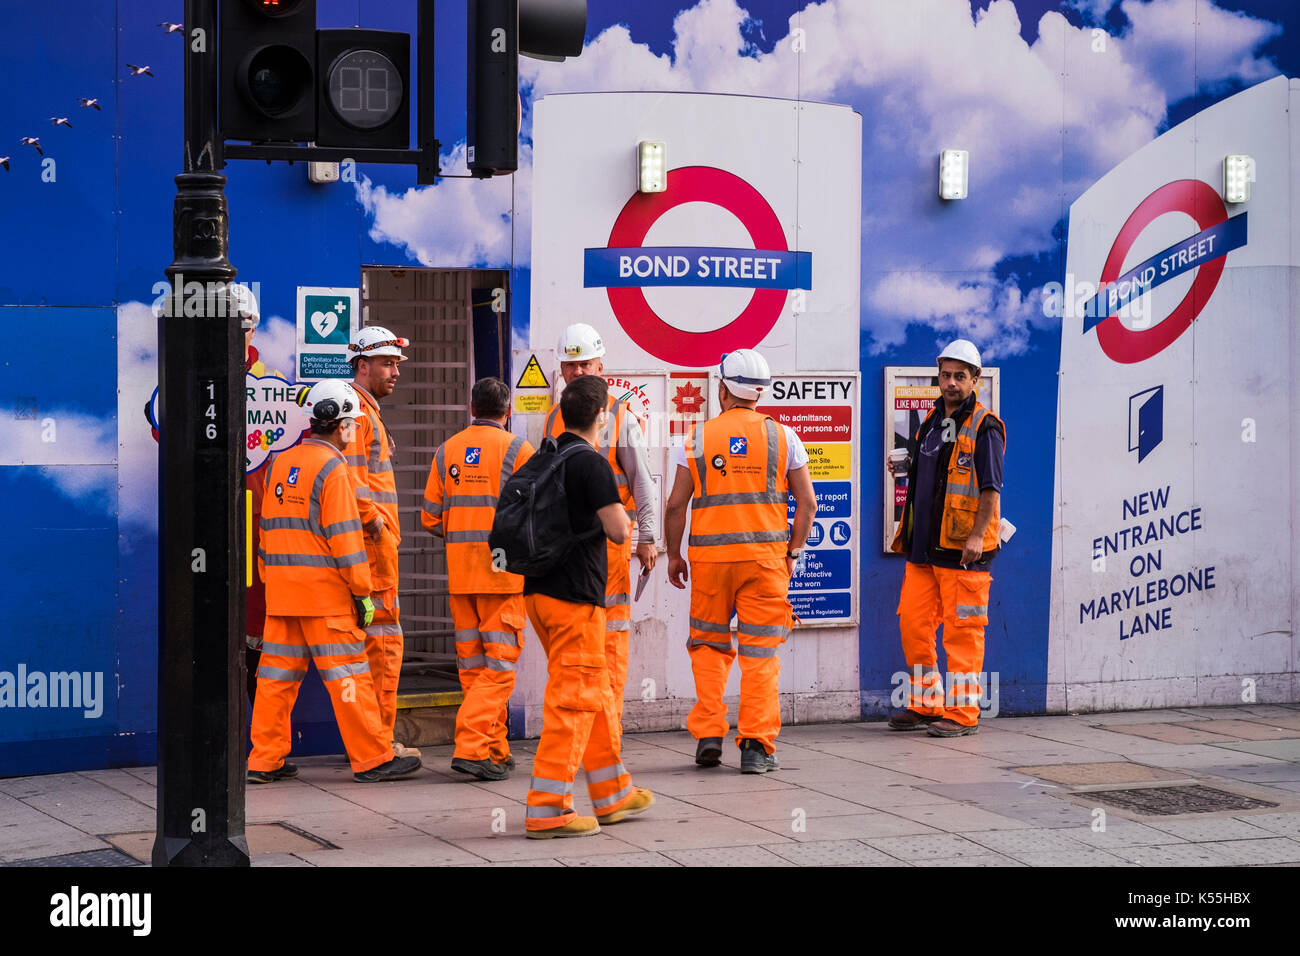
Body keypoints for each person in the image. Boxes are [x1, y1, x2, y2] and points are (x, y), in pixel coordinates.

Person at [248, 380, 422, 783]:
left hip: (282, 595)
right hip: (324, 599)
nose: (354, 432)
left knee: (275, 680)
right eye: (352, 425)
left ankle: (264, 760)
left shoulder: (281, 462)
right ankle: (374, 758)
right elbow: (345, 539)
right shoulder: (334, 469)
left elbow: (266, 529)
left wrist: (271, 580)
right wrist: (362, 592)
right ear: (342, 426)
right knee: (349, 678)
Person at [665, 349, 816, 773]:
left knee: (709, 647)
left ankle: (710, 734)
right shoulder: (785, 438)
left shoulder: (695, 437)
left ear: (723, 389)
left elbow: (676, 505)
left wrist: (674, 555)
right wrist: (794, 552)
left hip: (711, 563)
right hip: (765, 563)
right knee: (760, 654)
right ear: (758, 393)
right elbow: (808, 504)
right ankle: (755, 746)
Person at [523, 374, 654, 838]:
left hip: (538, 593)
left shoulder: (545, 455)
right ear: (602, 418)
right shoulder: (592, 464)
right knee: (573, 700)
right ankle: (547, 809)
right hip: (575, 596)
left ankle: (611, 792)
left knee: (592, 690)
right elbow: (620, 531)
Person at [543, 323, 659, 731]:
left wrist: (648, 537)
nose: (575, 372)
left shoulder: (621, 417)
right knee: (573, 643)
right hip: (564, 548)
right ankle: (578, 729)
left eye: (584, 364)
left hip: (608, 548)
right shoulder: (553, 418)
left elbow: (643, 482)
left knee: (609, 643)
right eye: (569, 365)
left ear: (600, 365)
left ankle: (605, 734)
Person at [888, 339, 1006, 737]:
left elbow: (991, 489)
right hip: (923, 549)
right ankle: (925, 704)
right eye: (945, 374)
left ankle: (963, 713)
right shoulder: (931, 421)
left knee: (963, 634)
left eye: (960, 376)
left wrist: (976, 537)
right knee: (915, 626)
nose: (951, 382)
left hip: (964, 552)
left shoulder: (984, 425)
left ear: (976, 379)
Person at [421, 378, 533, 781]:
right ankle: (471, 746)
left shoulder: (445, 450)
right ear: (508, 411)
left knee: (474, 670)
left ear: (471, 406)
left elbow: (430, 516)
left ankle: (494, 749)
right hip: (502, 578)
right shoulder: (520, 451)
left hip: (461, 577)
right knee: (499, 669)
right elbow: (536, 515)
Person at [343, 325, 419, 758]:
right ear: (362, 364)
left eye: (396, 364)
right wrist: (378, 529)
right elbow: (353, 483)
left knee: (376, 645)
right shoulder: (359, 413)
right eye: (387, 363)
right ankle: (378, 744)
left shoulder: (365, 411)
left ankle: (371, 741)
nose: (395, 372)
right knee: (383, 646)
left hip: (374, 548)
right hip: (374, 552)